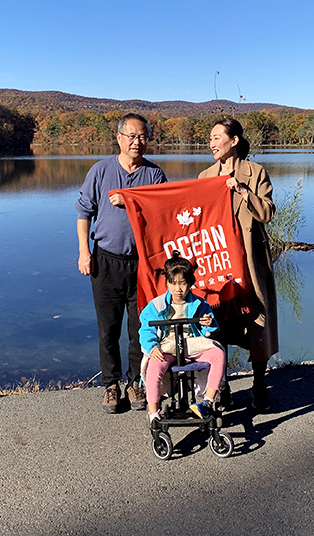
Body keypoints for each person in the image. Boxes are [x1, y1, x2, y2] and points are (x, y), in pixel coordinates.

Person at [76, 113, 167, 414]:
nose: (136, 142)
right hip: (105, 260)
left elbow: (163, 214)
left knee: (139, 327)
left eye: (142, 136)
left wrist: (129, 199)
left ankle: (136, 382)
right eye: (131, 136)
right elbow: (83, 213)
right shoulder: (100, 171)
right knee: (108, 328)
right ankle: (111, 385)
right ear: (118, 138)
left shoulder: (154, 175)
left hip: (141, 264)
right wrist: (83, 252)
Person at [198, 117, 278, 411]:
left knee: (256, 318)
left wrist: (242, 190)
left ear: (233, 141)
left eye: (216, 137)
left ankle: (259, 383)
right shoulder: (205, 176)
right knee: (219, 320)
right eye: (210, 138)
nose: (211, 143)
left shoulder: (255, 172)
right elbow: (193, 215)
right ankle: (222, 385)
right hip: (218, 260)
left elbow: (268, 213)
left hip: (250, 258)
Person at [139, 252, 224, 422]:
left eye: (183, 284)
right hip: (168, 345)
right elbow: (145, 329)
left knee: (218, 354)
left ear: (190, 283)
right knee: (154, 366)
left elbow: (212, 330)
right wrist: (152, 347)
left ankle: (207, 402)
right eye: (173, 283)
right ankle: (153, 413)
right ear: (167, 283)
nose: (178, 289)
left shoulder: (200, 304)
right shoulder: (156, 305)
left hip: (192, 344)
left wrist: (209, 324)